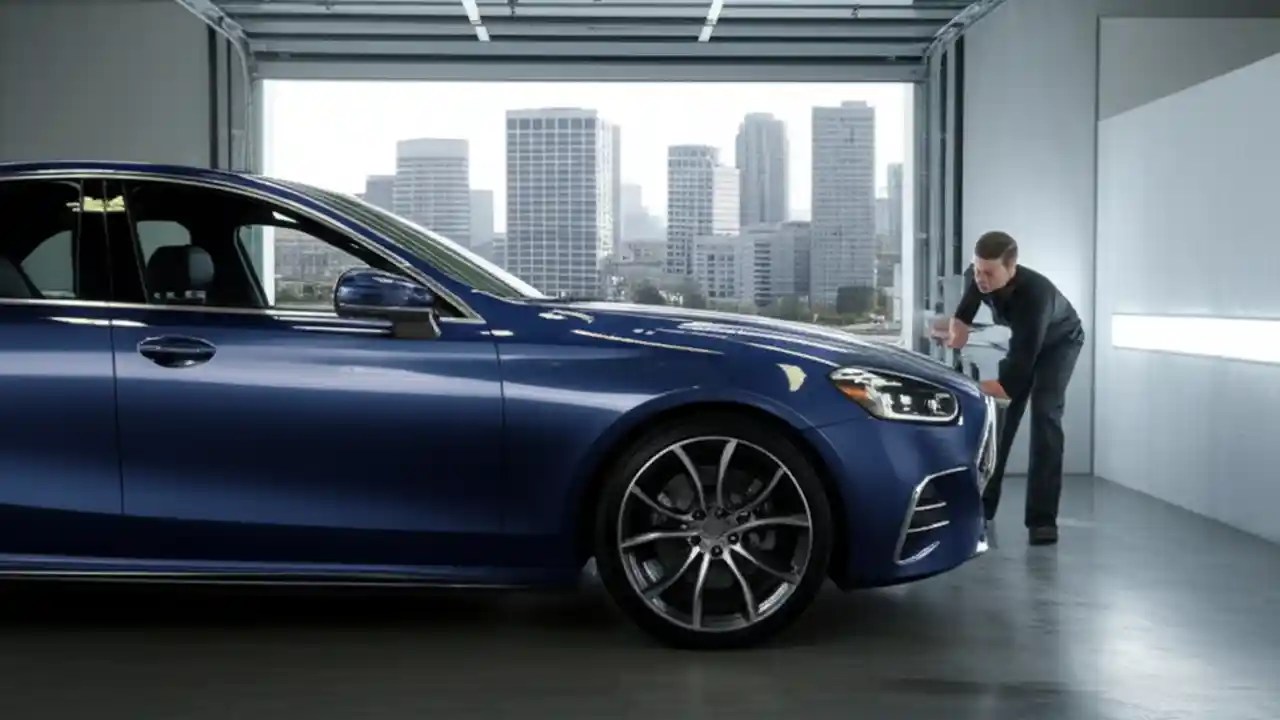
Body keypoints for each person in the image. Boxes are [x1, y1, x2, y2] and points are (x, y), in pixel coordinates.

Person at [938, 231, 1085, 545]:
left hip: (1059, 343)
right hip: (1024, 343)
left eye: (988, 273)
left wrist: (967, 388)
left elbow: (1011, 384)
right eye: (977, 270)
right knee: (1001, 422)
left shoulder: (1036, 297)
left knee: (1045, 414)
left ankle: (1042, 521)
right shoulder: (977, 276)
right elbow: (963, 314)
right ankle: (984, 506)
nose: (981, 278)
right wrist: (956, 331)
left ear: (1012, 267)